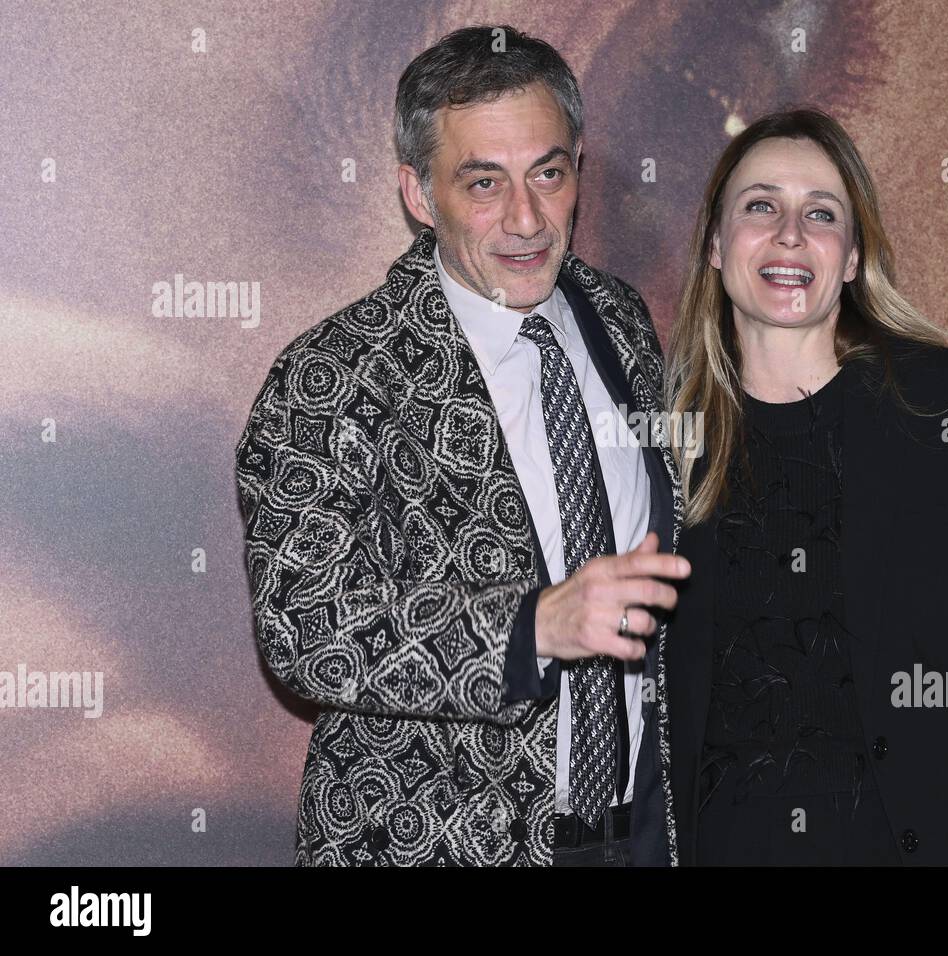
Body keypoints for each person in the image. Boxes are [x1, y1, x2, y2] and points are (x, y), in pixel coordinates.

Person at [235, 25, 690, 866]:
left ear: (578, 166)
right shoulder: (332, 373)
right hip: (441, 840)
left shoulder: (620, 320)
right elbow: (302, 626)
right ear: (418, 192)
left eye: (547, 173)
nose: (526, 219)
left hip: (637, 833)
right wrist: (532, 630)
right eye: (483, 182)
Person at [663, 107, 948, 866]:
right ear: (714, 242)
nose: (791, 233)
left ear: (852, 256)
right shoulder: (663, 438)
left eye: (821, 213)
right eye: (761, 205)